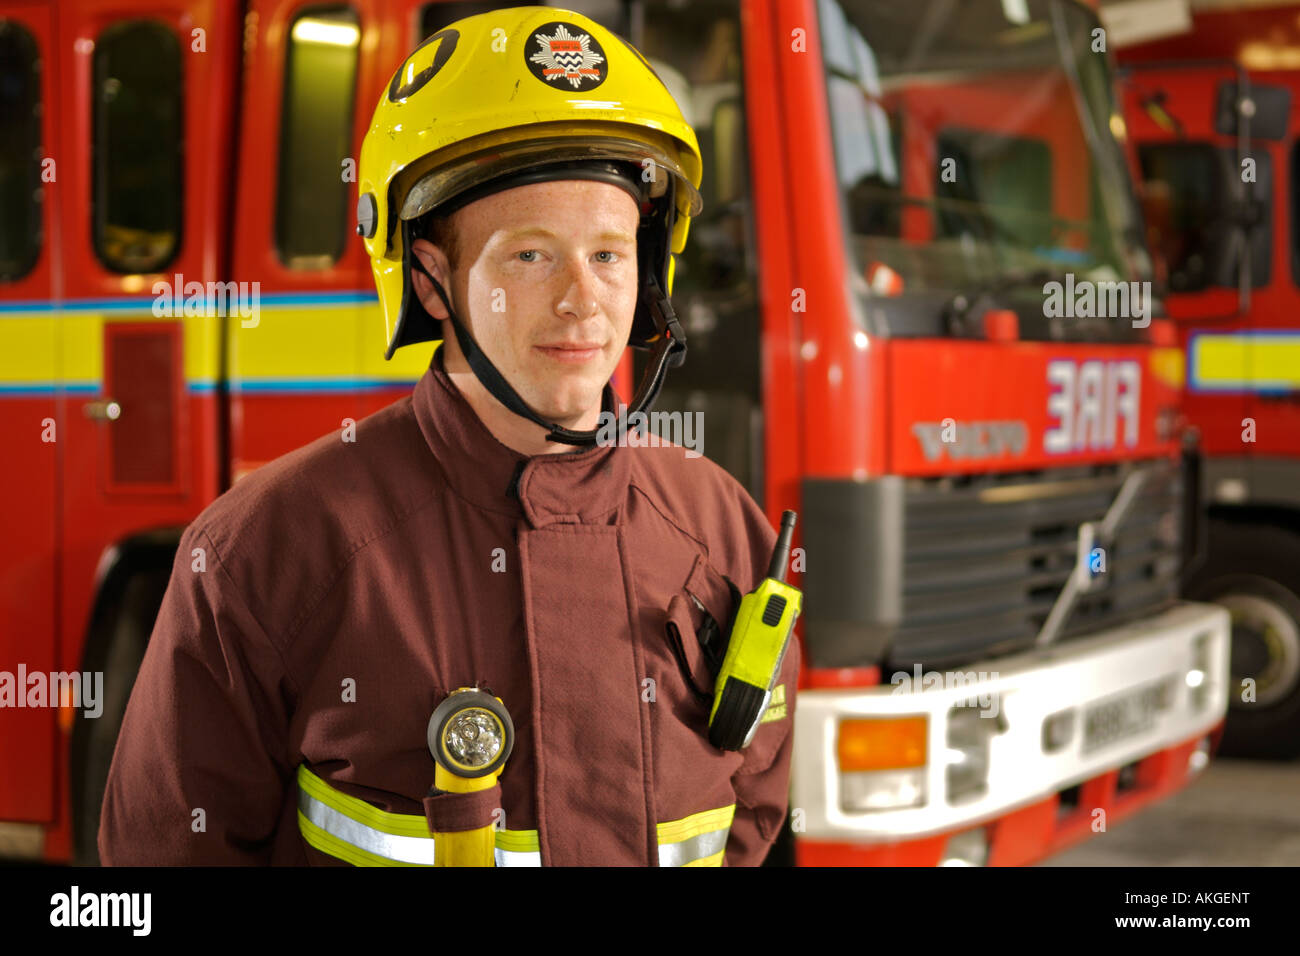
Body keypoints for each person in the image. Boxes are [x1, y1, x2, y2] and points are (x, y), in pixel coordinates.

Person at [99, 5, 798, 867]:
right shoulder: (268, 552)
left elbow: (751, 821)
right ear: (431, 280)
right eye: (531, 256)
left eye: (611, 255)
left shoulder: (723, 531)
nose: (585, 300)